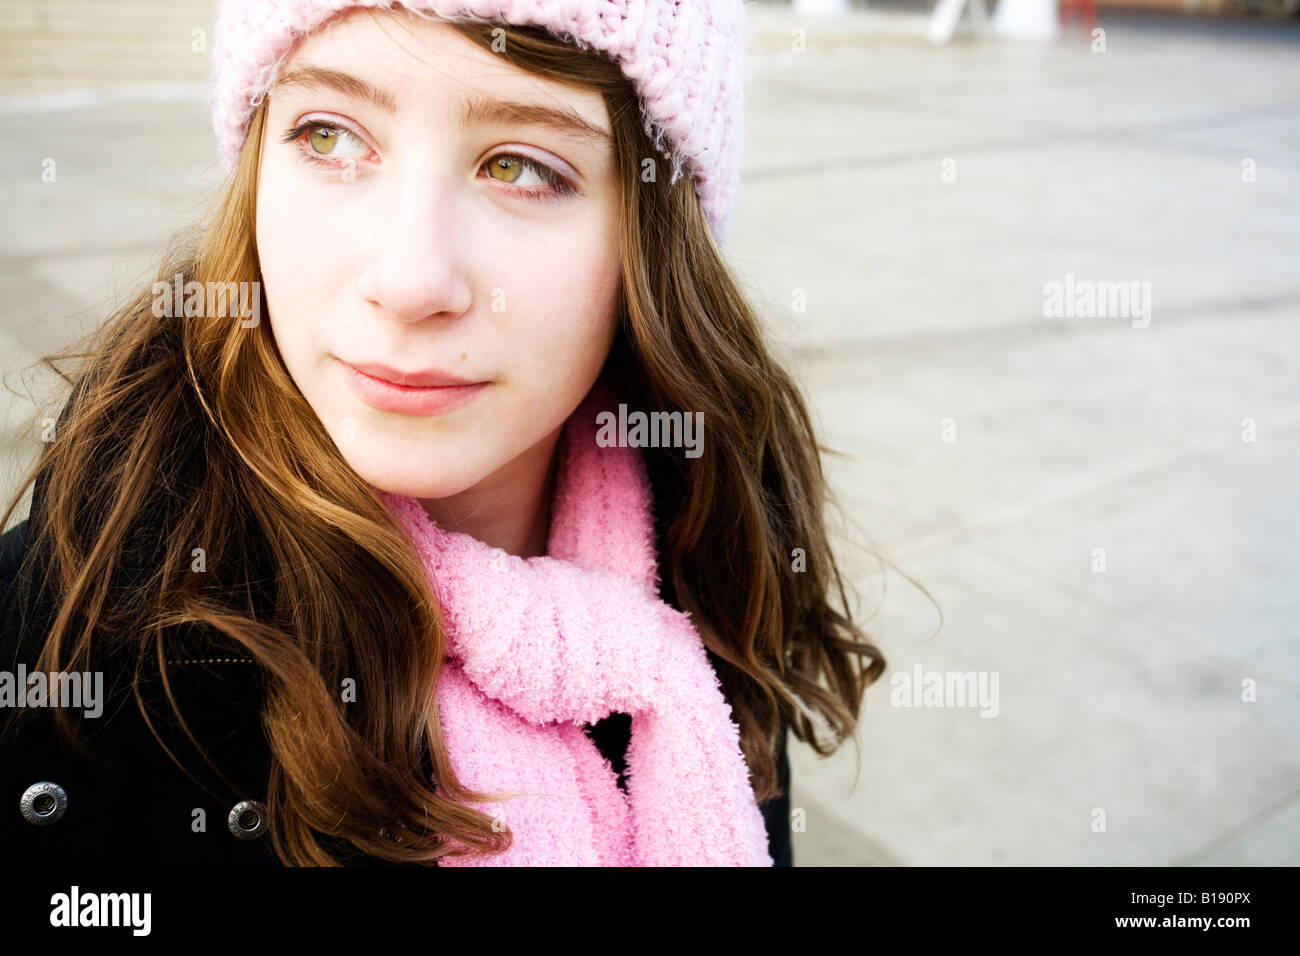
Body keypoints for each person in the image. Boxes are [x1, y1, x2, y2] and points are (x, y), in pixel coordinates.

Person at [0, 0, 886, 867]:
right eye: (330, 136)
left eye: (521, 167)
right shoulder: (68, 653)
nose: (411, 278)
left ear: (653, 240)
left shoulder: (708, 574)